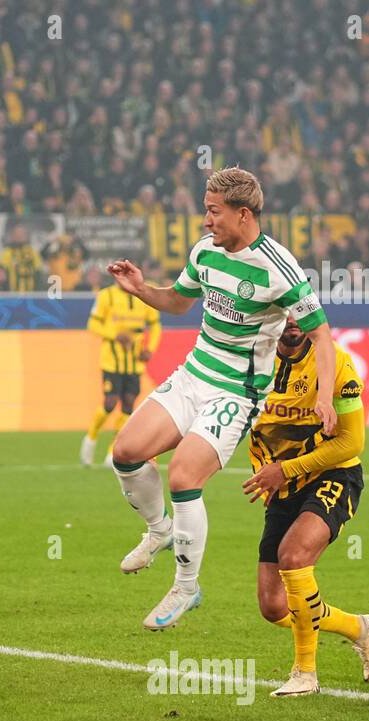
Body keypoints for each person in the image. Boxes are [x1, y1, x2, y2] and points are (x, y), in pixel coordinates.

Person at [107, 167, 339, 630]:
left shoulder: (279, 268)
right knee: (125, 453)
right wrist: (142, 290)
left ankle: (186, 587)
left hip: (238, 390)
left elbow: (322, 335)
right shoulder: (205, 251)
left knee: (183, 475)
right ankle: (160, 532)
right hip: (194, 373)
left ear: (243, 214)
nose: (206, 220)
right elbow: (178, 300)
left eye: (213, 211)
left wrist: (326, 397)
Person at [243, 315, 369, 697]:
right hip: (280, 485)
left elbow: (352, 443)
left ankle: (305, 674)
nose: (292, 321)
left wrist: (285, 469)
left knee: (293, 556)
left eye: (299, 312)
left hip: (333, 476)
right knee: (273, 606)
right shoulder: (249, 362)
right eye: (283, 310)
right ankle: (359, 628)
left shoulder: (335, 363)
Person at [79, 272, 161, 466]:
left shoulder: (144, 296)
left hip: (134, 363)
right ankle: (91, 438)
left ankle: (112, 452)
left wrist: (150, 349)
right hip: (111, 362)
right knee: (109, 403)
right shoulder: (106, 296)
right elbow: (92, 324)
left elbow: (156, 325)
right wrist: (115, 335)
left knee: (128, 405)